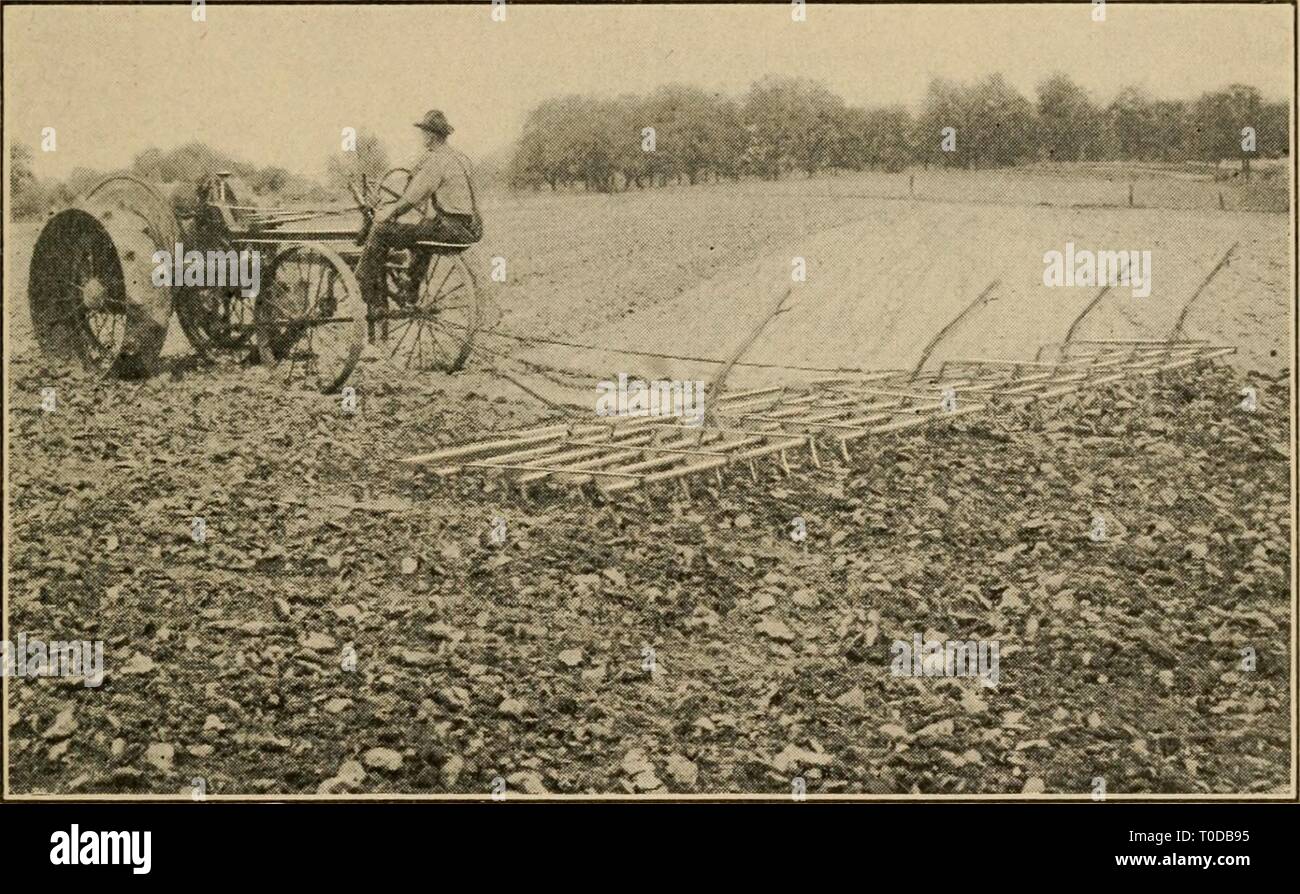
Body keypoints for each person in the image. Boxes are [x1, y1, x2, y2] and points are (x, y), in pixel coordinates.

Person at [355, 109, 483, 319]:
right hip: (469, 230)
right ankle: (410, 291)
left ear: (431, 136)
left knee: (380, 232)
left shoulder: (437, 161)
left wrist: (388, 213)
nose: (421, 137)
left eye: (423, 133)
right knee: (422, 232)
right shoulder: (461, 158)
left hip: (450, 230)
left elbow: (413, 197)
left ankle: (363, 287)